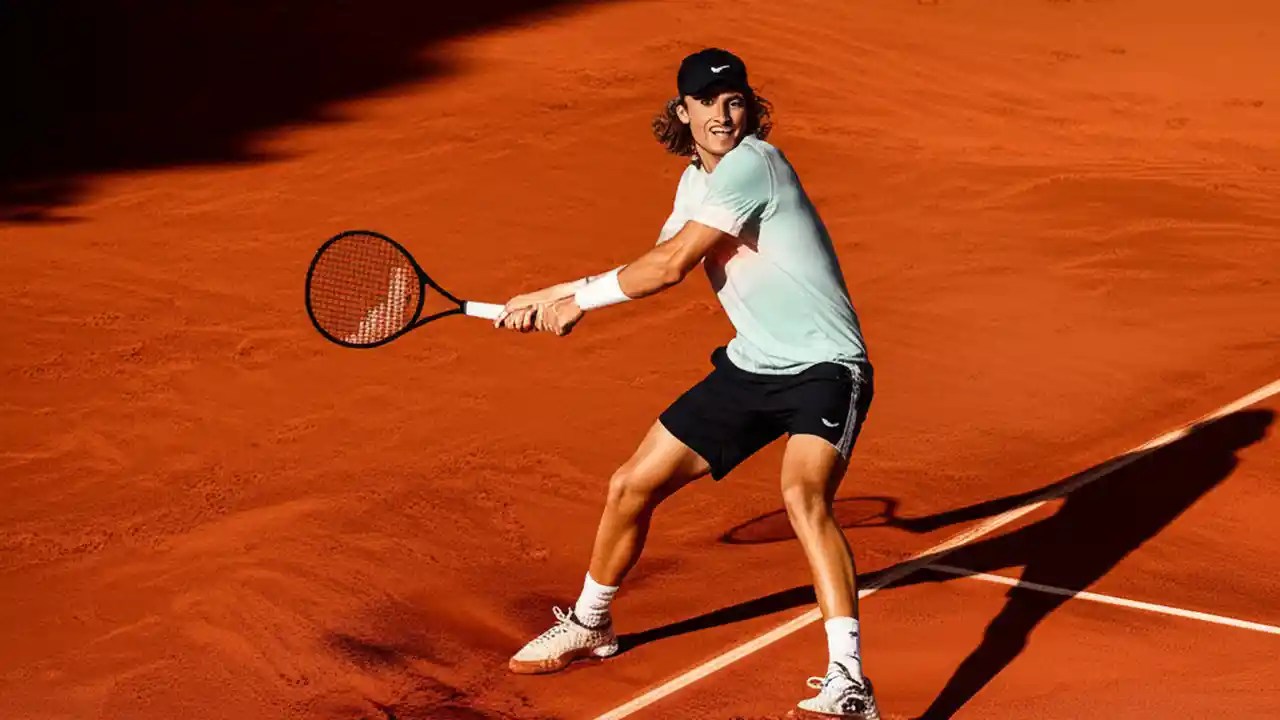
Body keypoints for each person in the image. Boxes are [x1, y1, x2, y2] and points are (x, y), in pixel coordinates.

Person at [493, 48, 879, 719]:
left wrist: (577, 304)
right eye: (708, 103)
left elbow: (671, 267)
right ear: (683, 111)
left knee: (802, 493)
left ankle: (848, 679)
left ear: (749, 108)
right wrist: (550, 293)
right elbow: (652, 259)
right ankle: (591, 621)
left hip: (825, 368)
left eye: (736, 102)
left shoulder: (755, 163)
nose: (724, 116)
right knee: (630, 485)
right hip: (753, 365)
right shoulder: (695, 183)